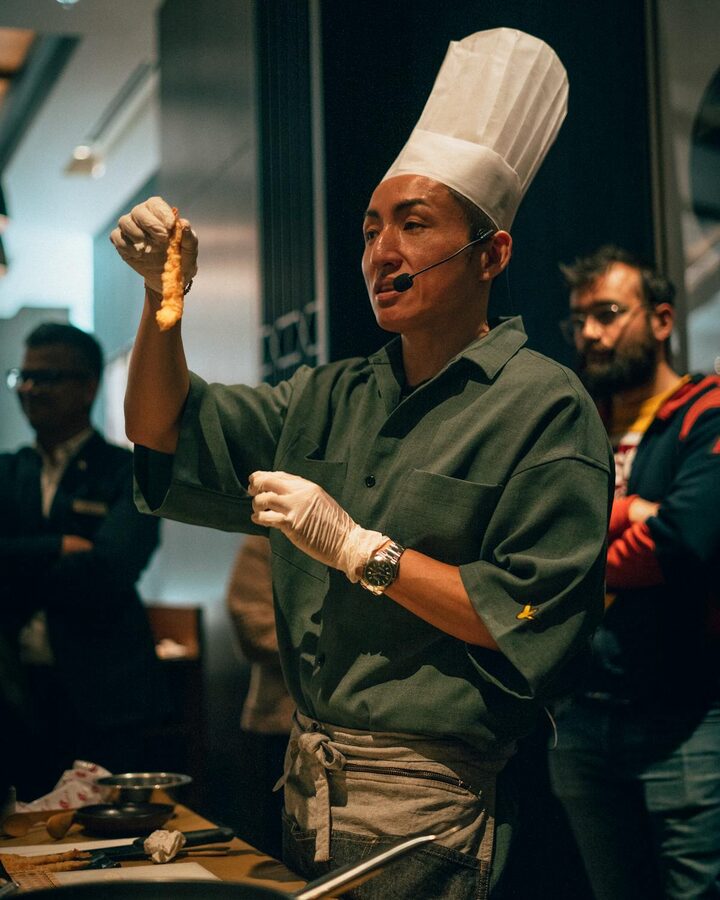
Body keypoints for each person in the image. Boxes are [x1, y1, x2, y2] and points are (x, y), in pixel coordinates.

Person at [111, 28, 612, 899]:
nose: (382, 251)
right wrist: (164, 310)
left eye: (414, 225)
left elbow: (526, 617)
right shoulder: (327, 395)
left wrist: (357, 550)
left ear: (490, 252)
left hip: (440, 797)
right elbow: (161, 430)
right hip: (310, 780)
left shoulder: (545, 404)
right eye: (372, 227)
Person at [549, 245, 720, 899]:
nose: (590, 332)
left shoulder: (705, 411)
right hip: (581, 719)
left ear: (662, 319)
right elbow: (530, 537)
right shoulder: (573, 426)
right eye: (580, 319)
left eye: (609, 313)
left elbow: (680, 542)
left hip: (684, 718)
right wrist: (633, 511)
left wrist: (576, 558)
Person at [0, 322, 165, 799]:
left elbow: (109, 572)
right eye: (22, 377)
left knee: (108, 852)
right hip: (17, 700)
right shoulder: (8, 471)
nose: (29, 389)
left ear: (88, 385)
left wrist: (12, 567)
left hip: (104, 700)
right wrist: (53, 547)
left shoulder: (126, 471)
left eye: (46, 377)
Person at [226, 534, 294, 859]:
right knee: (270, 849)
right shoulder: (270, 536)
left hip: (355, 731)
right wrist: (333, 653)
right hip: (278, 721)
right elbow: (251, 625)